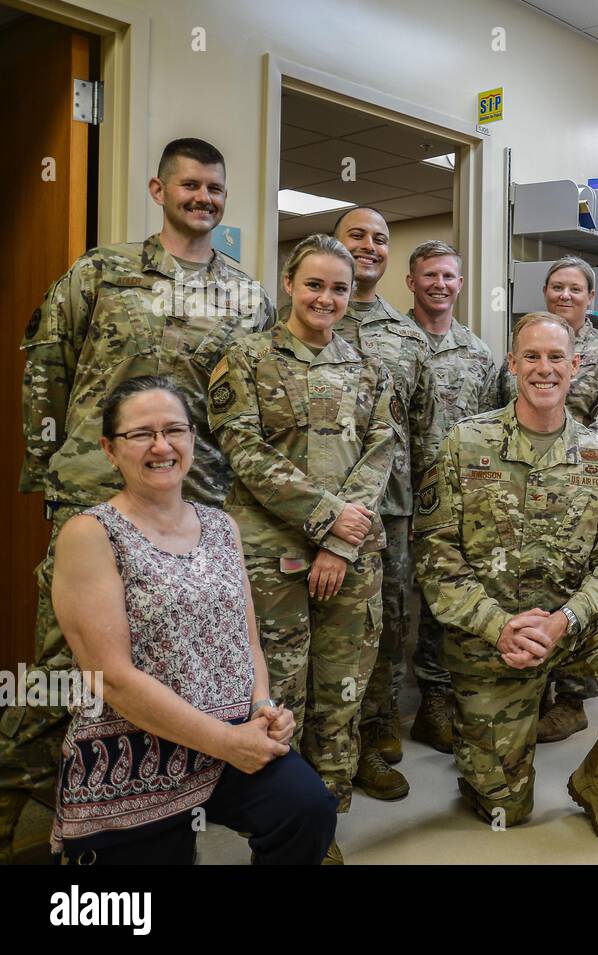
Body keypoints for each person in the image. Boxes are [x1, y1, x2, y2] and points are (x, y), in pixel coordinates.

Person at [3, 137, 275, 862]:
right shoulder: (103, 271)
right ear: (158, 190)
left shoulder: (248, 297)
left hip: (191, 508)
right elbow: (47, 368)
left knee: (183, 663)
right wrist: (55, 473)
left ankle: (164, 805)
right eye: (189, 185)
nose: (203, 199)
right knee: (70, 672)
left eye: (215, 189)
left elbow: (254, 404)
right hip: (93, 500)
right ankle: (23, 809)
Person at [413, 312, 598, 847]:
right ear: (513, 364)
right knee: (505, 809)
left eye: (555, 358)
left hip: (574, 629)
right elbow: (435, 555)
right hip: (492, 641)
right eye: (532, 357)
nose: (543, 369)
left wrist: (566, 620)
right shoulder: (463, 445)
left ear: (573, 366)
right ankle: (492, 756)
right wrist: (499, 625)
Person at [48, 376, 336, 864]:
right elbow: (113, 679)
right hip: (134, 756)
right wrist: (227, 742)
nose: (161, 446)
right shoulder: (90, 534)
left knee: (308, 808)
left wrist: (263, 711)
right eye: (141, 434)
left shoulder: (222, 526)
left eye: (174, 430)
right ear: (109, 450)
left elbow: (247, 637)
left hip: (233, 736)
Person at [209, 234, 398, 864]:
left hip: (352, 555)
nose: (327, 298)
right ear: (289, 284)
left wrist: (341, 543)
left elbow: (381, 452)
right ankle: (287, 821)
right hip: (268, 557)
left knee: (342, 693)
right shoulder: (247, 357)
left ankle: (328, 820)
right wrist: (326, 519)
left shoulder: (369, 367)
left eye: (339, 288)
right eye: (314, 284)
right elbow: (242, 449)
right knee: (279, 694)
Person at [496, 257, 598, 743]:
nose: (565, 295)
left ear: (590, 298)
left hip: (582, 482)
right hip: (521, 476)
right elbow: (503, 403)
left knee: (576, 579)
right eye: (557, 287)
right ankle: (530, 677)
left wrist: (575, 465)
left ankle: (574, 696)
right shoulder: (528, 339)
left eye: (576, 289)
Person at [328, 208, 441, 802]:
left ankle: (372, 738)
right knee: (303, 635)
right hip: (304, 507)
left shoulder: (406, 336)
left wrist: (428, 511)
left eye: (380, 239)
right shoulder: (305, 315)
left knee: (381, 630)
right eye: (357, 236)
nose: (369, 246)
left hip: (388, 510)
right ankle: (305, 755)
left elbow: (422, 433)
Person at [405, 239, 497, 755]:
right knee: (391, 605)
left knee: (447, 598)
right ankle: (376, 716)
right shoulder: (389, 341)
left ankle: (436, 702)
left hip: (455, 500)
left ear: (460, 284)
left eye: (449, 276)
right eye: (430, 276)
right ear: (412, 282)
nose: (440, 284)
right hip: (392, 495)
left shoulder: (478, 352)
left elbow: (488, 427)